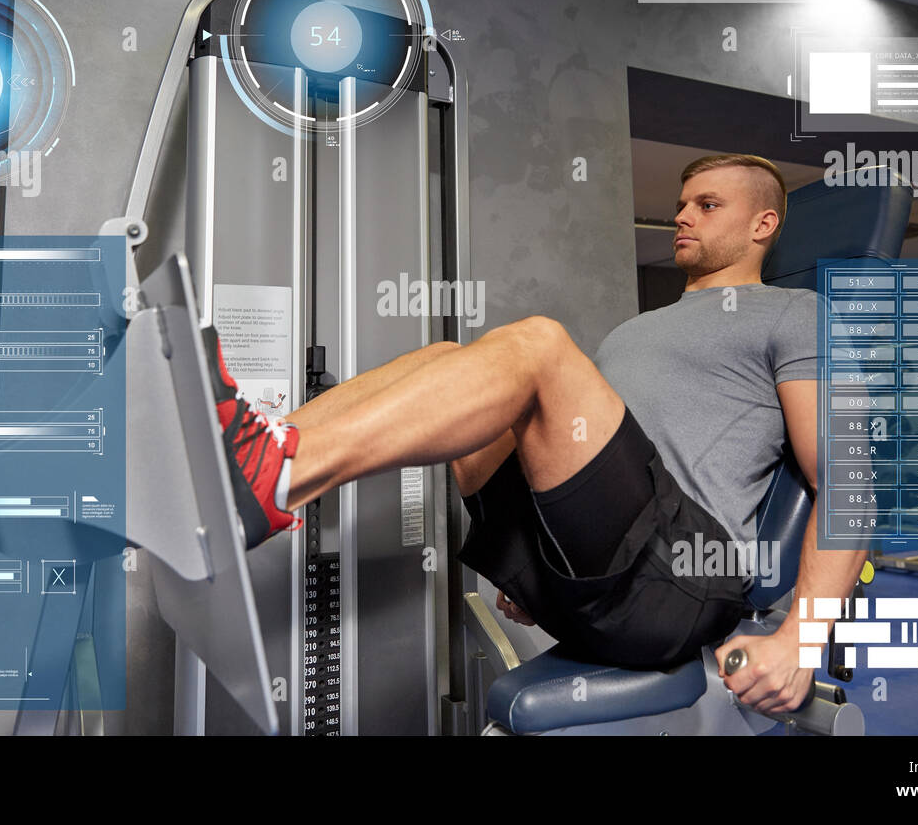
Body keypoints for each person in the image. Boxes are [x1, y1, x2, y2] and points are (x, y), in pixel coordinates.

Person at [212, 153, 866, 715]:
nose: (683, 216)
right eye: (682, 204)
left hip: (680, 584)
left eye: (707, 203)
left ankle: (277, 472)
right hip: (592, 572)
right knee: (445, 353)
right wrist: (547, 544)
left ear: (763, 223)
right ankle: (253, 454)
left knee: (539, 343)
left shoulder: (798, 313)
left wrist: (801, 642)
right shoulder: (637, 329)